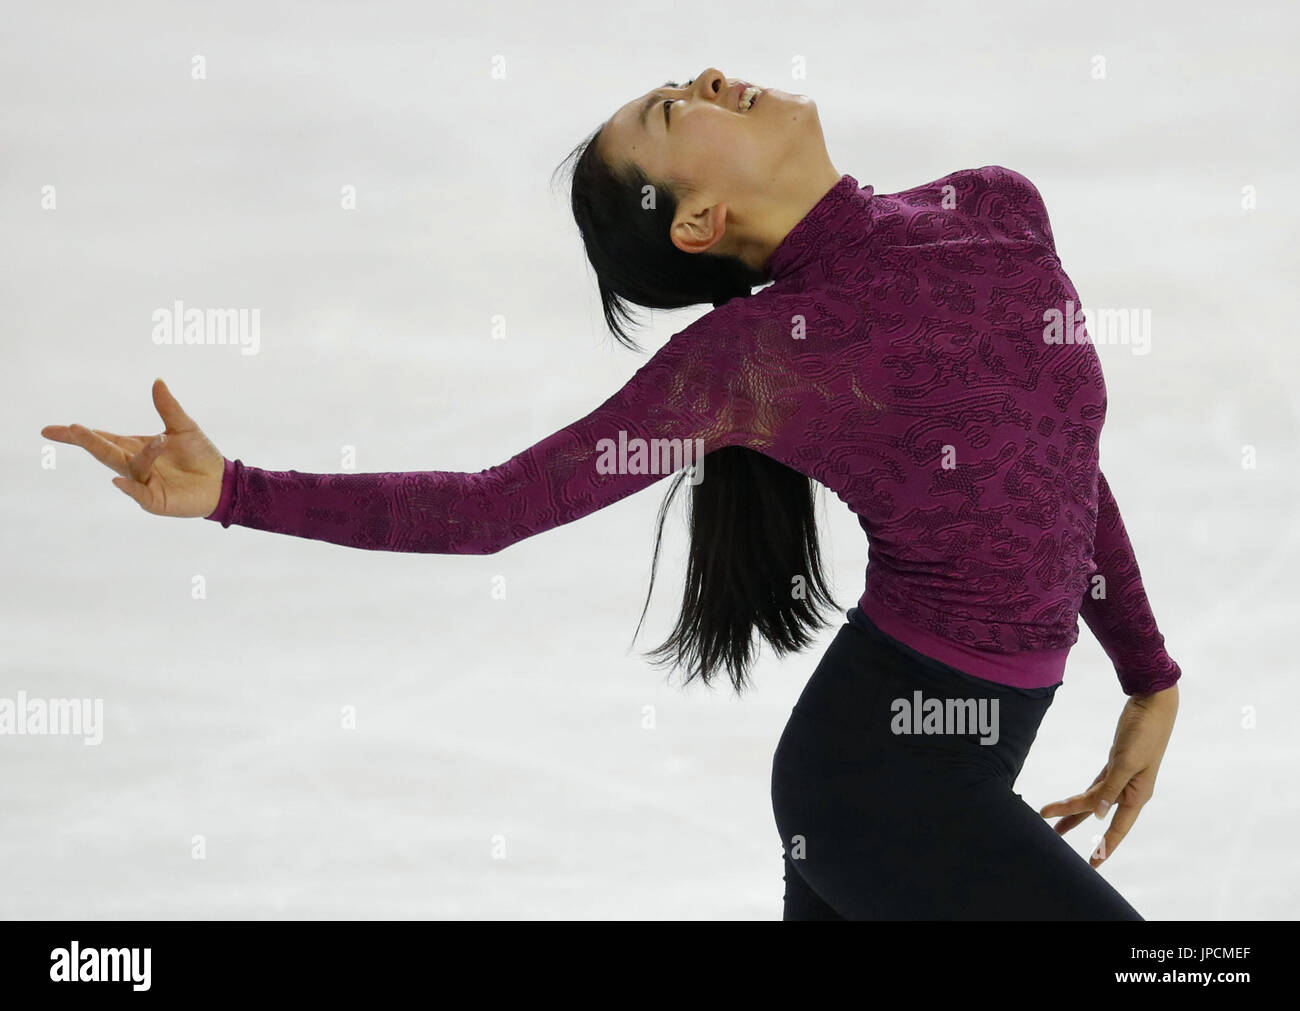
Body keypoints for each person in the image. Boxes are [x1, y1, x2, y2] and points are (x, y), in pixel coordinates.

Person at [40, 67, 1181, 920]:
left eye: (683, 83)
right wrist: (234, 489)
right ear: (696, 223)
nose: (708, 81)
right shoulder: (752, 359)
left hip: (956, 749)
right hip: (881, 782)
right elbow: (493, 507)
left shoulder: (994, 203)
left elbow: (1059, 458)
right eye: (675, 112)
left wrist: (1146, 675)